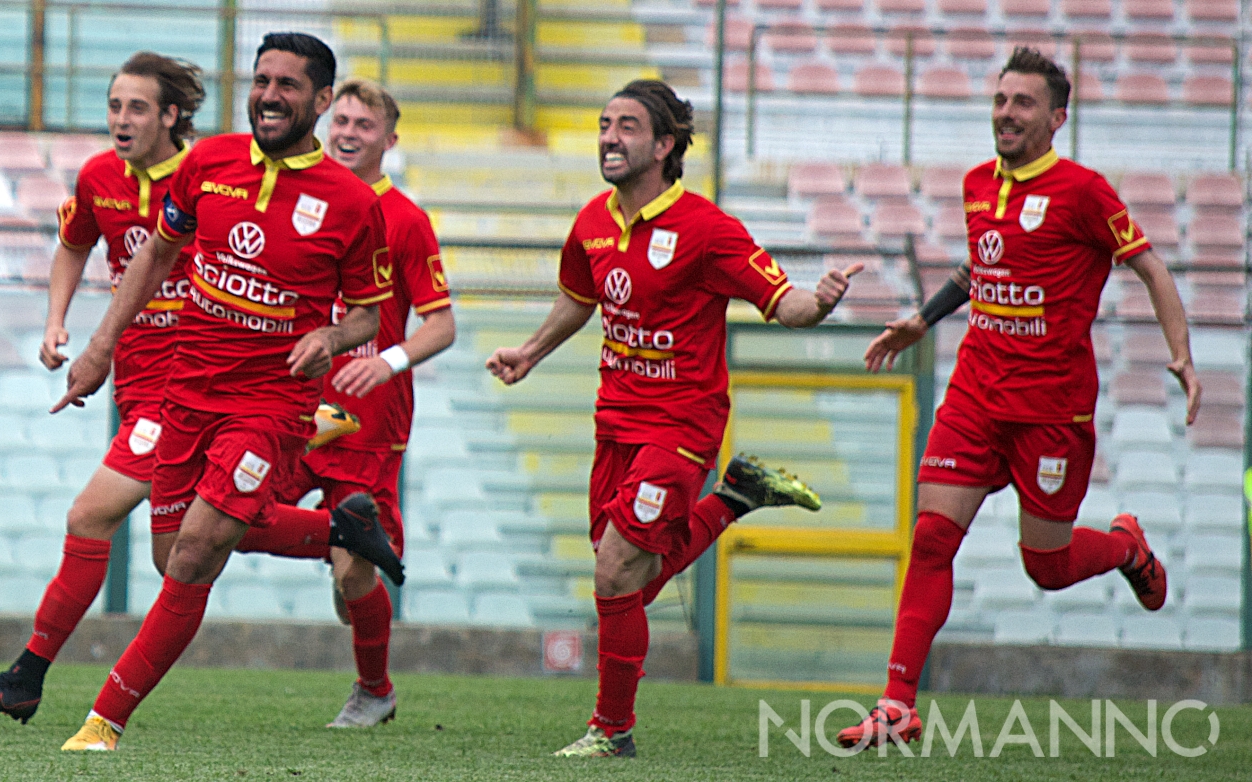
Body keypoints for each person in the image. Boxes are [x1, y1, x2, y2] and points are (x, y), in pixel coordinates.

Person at [838, 47, 1201, 749]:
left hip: (1050, 412)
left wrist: (1180, 354)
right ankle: (897, 703)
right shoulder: (978, 183)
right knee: (931, 537)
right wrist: (925, 315)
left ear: (1057, 118)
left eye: (1023, 102)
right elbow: (984, 264)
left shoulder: (1085, 192)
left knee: (1048, 566)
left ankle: (1126, 547)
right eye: (1001, 99)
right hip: (975, 395)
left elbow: (1151, 268)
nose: (1006, 113)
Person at [486, 79, 857, 759]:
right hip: (614, 423)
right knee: (629, 578)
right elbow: (580, 297)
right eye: (603, 124)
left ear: (664, 145)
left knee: (614, 568)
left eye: (626, 126)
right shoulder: (593, 221)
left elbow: (785, 305)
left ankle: (611, 732)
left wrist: (823, 300)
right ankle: (736, 498)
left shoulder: (708, 230)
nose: (608, 137)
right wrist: (530, 354)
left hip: (681, 427)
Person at [54, 32, 402, 751]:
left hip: (271, 404)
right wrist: (98, 348)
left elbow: (368, 311)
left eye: (289, 85)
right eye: (262, 80)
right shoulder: (208, 164)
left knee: (194, 555)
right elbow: (154, 255)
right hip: (187, 389)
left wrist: (331, 339)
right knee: (172, 550)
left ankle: (103, 721)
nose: (270, 96)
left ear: (321, 100)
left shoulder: (351, 203)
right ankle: (336, 531)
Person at [0, 52, 205, 724]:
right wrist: (57, 321)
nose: (121, 120)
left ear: (172, 115)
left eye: (137, 108)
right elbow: (75, 243)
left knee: (90, 517)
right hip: (139, 380)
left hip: (191, 385)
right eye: (114, 106)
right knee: (171, 554)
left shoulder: (210, 180)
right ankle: (332, 527)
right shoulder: (99, 176)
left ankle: (26, 677)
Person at [288, 77, 456, 728]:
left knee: (351, 566)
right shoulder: (308, 200)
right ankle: (351, 557)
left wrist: (385, 364)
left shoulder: (406, 219)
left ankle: (374, 688)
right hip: (298, 405)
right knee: (229, 515)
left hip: (362, 415)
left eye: (365, 125)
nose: (349, 133)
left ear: (389, 138)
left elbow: (441, 325)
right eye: (343, 121)